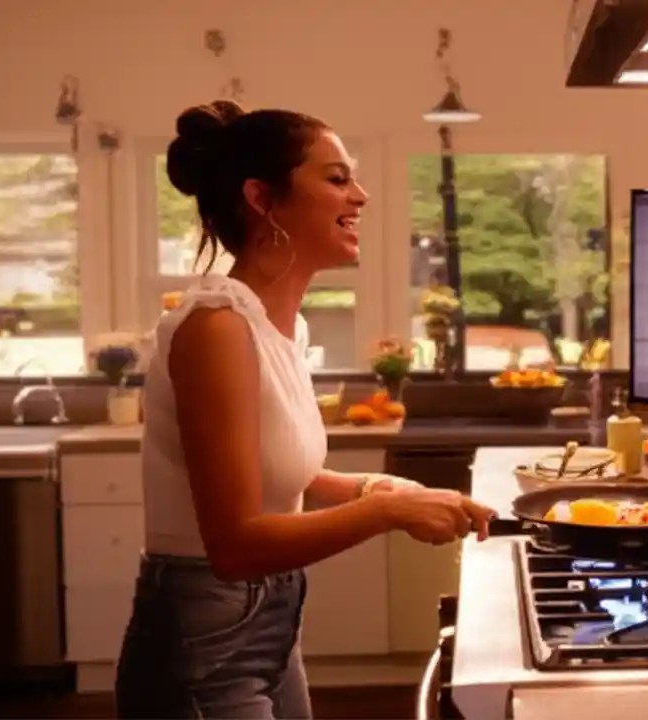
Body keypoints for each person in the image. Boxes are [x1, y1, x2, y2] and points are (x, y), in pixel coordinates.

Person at [113, 100, 497, 719]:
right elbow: (235, 546)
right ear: (263, 199)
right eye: (337, 178)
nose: (362, 196)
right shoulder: (216, 328)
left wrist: (371, 484)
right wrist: (389, 511)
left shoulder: (268, 324)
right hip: (203, 639)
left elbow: (268, 475)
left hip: (264, 624)